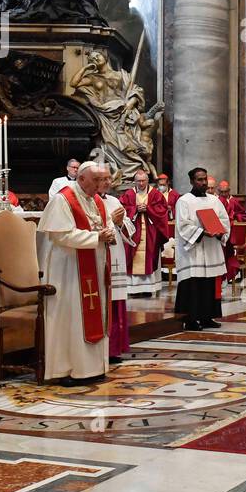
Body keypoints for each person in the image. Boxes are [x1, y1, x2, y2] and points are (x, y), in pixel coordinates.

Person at [38, 161, 116, 385]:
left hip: (94, 266)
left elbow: (107, 223)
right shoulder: (63, 199)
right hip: (69, 270)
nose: (101, 185)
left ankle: (94, 367)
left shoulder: (97, 200)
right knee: (71, 317)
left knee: (94, 314)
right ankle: (68, 369)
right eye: (96, 180)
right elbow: (60, 236)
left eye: (103, 180)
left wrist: (108, 234)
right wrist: (96, 237)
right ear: (81, 179)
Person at [174, 166, 230, 330]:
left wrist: (220, 232)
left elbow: (224, 220)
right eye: (199, 179)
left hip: (211, 250)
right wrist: (202, 232)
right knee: (194, 285)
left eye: (205, 179)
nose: (203, 182)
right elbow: (182, 226)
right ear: (191, 181)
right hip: (194, 252)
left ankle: (207, 317)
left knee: (209, 285)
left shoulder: (214, 200)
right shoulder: (184, 201)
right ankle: (190, 319)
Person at [96, 166, 134, 363]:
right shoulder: (88, 202)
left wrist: (119, 223)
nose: (108, 183)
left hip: (116, 254)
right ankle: (100, 349)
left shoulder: (114, 201)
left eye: (109, 179)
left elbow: (129, 228)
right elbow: (91, 228)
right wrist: (111, 221)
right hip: (98, 256)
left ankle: (114, 349)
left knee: (116, 302)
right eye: (103, 179)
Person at [121, 169, 169, 296]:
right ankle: (133, 289)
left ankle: (148, 288)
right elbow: (122, 208)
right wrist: (134, 209)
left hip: (150, 232)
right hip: (133, 232)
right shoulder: (129, 194)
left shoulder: (156, 194)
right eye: (138, 181)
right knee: (133, 256)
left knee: (150, 256)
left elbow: (162, 210)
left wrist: (148, 209)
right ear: (134, 181)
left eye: (143, 181)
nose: (141, 183)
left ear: (148, 181)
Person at [216, 180, 246, 286]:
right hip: (219, 233)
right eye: (221, 192)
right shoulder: (216, 200)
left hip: (231, 234)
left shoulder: (234, 201)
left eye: (226, 192)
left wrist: (234, 217)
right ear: (218, 191)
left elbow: (242, 215)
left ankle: (228, 275)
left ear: (229, 191)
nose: (224, 194)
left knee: (228, 254)